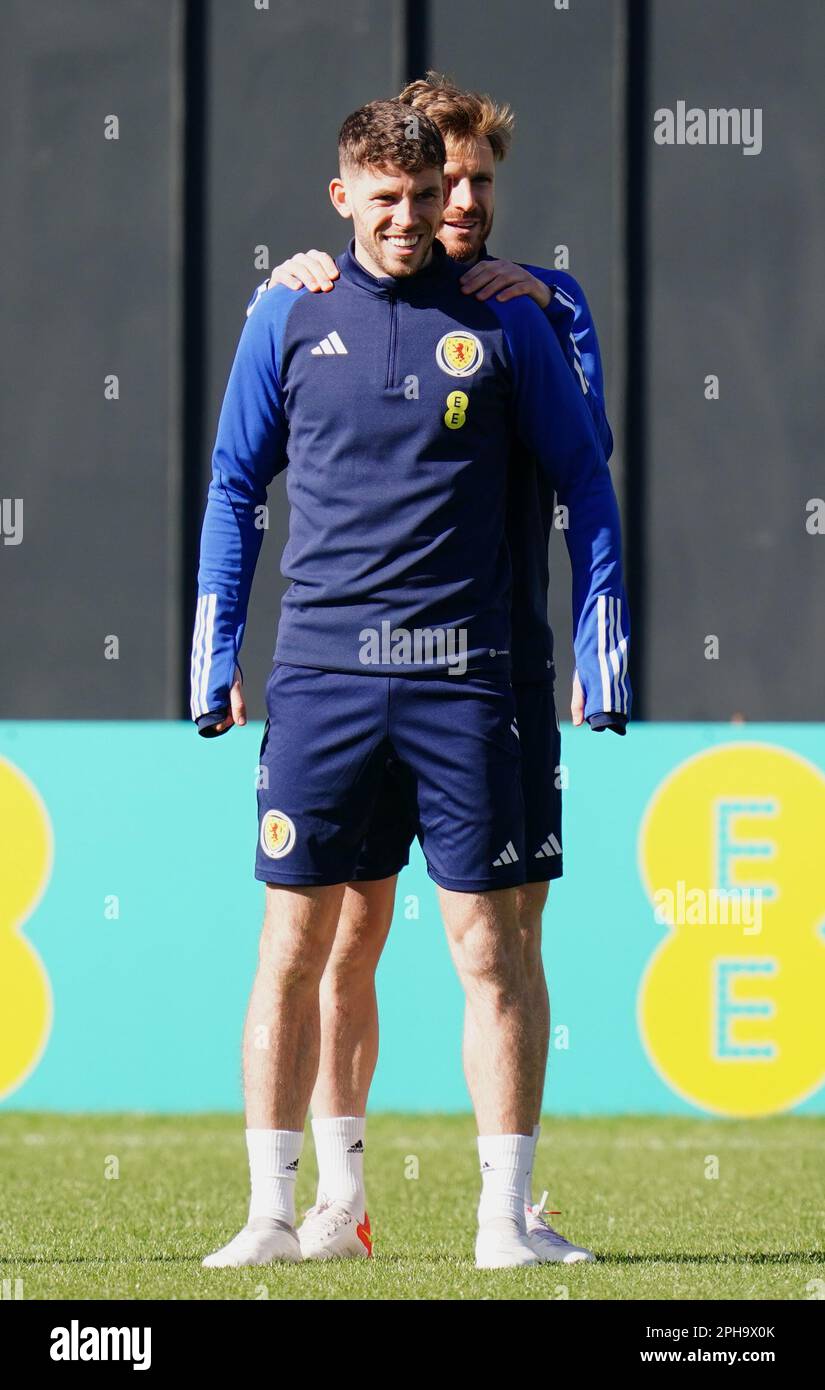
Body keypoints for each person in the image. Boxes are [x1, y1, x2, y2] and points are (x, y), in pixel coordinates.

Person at [191, 98, 628, 1271]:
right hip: (327, 679)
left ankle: (508, 1217)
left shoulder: (525, 310)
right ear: (346, 198)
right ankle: (301, 1209)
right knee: (314, 940)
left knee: (496, 945)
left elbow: (588, 472)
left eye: (438, 191)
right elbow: (236, 480)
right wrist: (213, 654)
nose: (431, 210)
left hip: (478, 676)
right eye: (392, 194)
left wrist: (602, 647)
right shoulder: (291, 306)